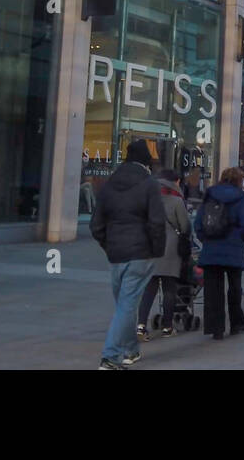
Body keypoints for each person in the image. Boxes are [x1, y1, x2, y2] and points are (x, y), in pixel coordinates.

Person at [87, 140, 166, 369]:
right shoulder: (149, 184)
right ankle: (111, 356)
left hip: (116, 254)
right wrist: (156, 250)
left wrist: (108, 244)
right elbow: (157, 223)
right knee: (127, 305)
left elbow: (96, 225)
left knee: (125, 304)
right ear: (145, 162)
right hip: (141, 253)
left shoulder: (109, 184)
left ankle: (130, 349)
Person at [197, 168, 244, 340]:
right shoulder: (241, 199)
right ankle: (236, 323)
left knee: (213, 289)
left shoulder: (210, 195)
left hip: (211, 248)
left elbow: (199, 223)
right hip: (233, 247)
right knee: (234, 288)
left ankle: (216, 328)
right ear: (238, 181)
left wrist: (205, 238)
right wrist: (243, 240)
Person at [137, 169, 191, 340]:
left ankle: (141, 325)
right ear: (175, 182)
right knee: (169, 288)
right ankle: (167, 326)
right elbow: (185, 227)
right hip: (170, 249)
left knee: (149, 288)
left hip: (151, 247)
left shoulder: (148, 200)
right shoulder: (176, 201)